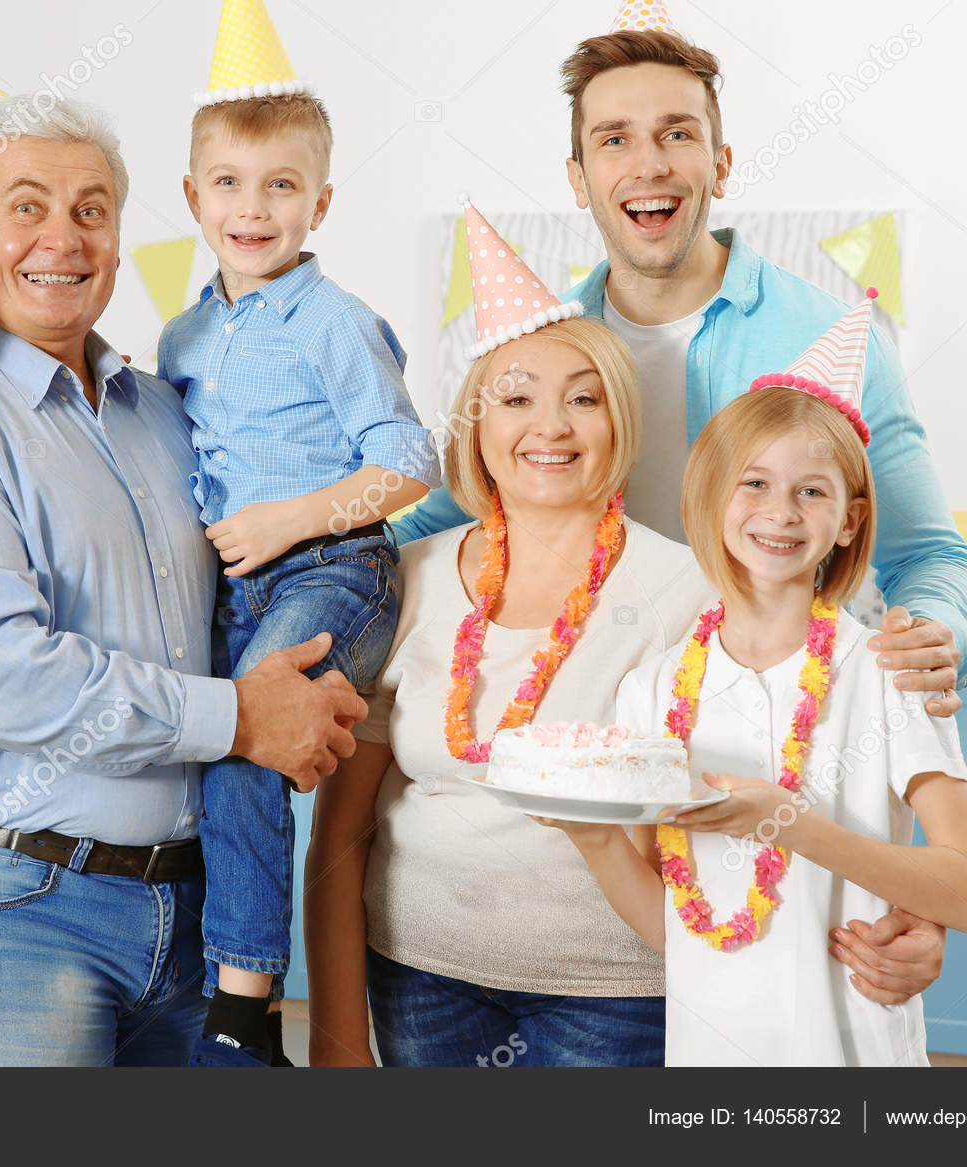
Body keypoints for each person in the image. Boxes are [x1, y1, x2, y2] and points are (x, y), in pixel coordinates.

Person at [394, 12, 967, 988]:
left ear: (720, 157)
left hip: (770, 763)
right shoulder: (549, 356)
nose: (647, 163)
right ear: (577, 177)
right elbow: (435, 519)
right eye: (612, 139)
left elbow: (928, 556)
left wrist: (932, 631)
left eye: (676, 132)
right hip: (607, 798)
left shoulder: (824, 332)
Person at [0, 89, 367, 1068]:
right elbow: (3, 677)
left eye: (91, 209)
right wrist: (244, 718)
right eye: (27, 206)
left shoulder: (166, 410)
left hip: (198, 911)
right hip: (18, 906)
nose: (65, 238)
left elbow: (266, 577)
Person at [542, 292, 967, 1065]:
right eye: (753, 483)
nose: (780, 512)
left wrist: (791, 822)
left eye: (812, 490)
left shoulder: (884, 672)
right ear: (709, 498)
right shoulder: (652, 692)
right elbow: (674, 928)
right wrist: (593, 837)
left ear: (850, 520)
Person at [306, 202, 716, 1066]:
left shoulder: (687, 588)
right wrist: (340, 1039)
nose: (551, 426)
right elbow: (341, 833)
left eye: (583, 399)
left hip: (618, 996)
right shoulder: (402, 577)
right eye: (517, 398)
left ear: (621, 425)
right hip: (419, 980)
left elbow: (723, 815)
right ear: (477, 430)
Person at [158, 1, 437, 1067]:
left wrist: (289, 518)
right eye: (229, 182)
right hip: (233, 589)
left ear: (319, 200)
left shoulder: (335, 321)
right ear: (193, 196)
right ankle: (204, 985)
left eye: (282, 185)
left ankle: (245, 1015)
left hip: (334, 570)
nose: (253, 206)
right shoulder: (182, 335)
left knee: (252, 732)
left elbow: (410, 463)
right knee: (203, 742)